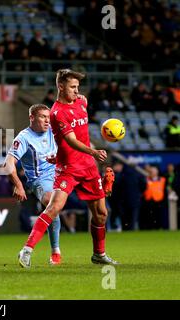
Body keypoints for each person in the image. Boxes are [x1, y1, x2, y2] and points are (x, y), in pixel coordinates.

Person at [17, 69, 118, 268]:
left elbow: (84, 100)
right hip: (69, 168)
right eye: (72, 87)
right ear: (60, 86)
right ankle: (26, 250)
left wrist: (79, 95)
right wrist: (93, 152)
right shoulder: (57, 113)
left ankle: (99, 254)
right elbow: (71, 141)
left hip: (88, 168)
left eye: (77, 87)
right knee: (54, 208)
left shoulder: (81, 102)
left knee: (101, 213)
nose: (76, 90)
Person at [4, 104, 62, 265]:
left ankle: (100, 252)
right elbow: (8, 165)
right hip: (41, 179)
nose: (47, 121)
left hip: (61, 172)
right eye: (43, 117)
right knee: (52, 203)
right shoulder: (23, 138)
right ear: (31, 118)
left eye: (48, 117)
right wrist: (18, 185)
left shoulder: (53, 130)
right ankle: (55, 251)